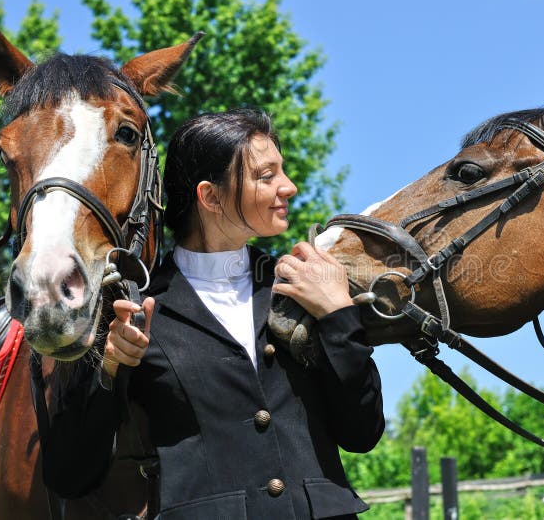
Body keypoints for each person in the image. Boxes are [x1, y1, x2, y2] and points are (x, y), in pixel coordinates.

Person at [41, 108, 385, 519]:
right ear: (210, 196)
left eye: (283, 172)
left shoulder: (305, 287)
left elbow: (363, 433)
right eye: (266, 175)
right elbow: (70, 475)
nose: (289, 187)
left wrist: (338, 315)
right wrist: (110, 367)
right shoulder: (132, 311)